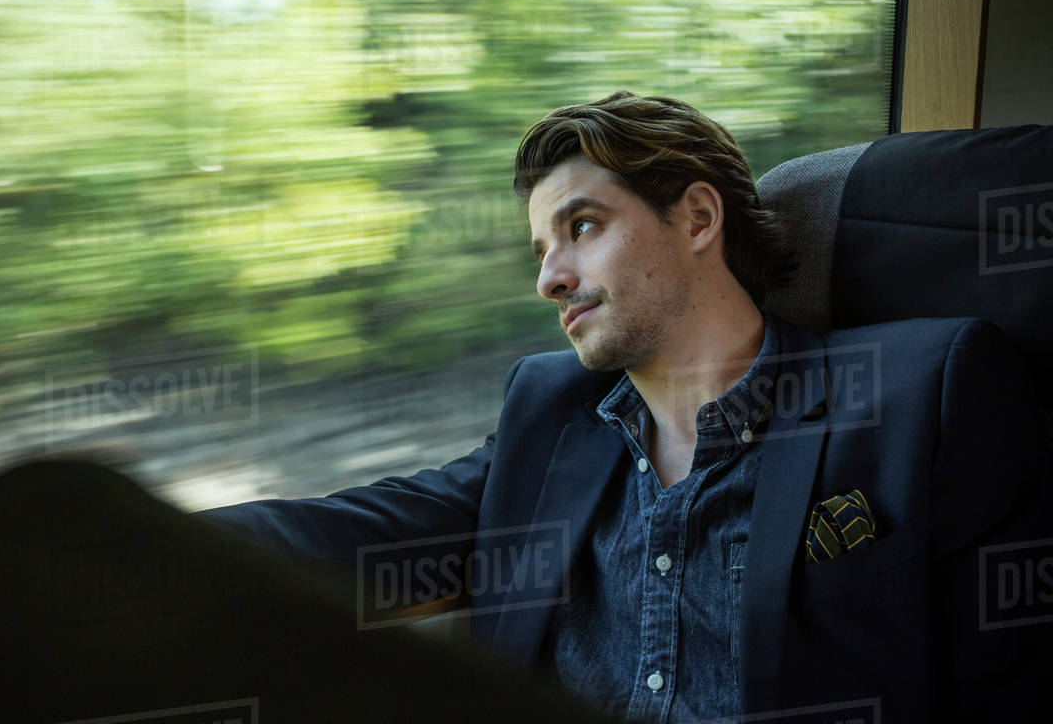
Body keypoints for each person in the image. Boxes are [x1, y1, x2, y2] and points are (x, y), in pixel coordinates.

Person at [201, 91, 1053, 722]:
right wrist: (128, 539)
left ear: (696, 218)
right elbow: (378, 530)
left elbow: (1008, 678)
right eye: (541, 250)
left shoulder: (924, 391)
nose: (549, 278)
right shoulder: (552, 413)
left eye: (580, 227)